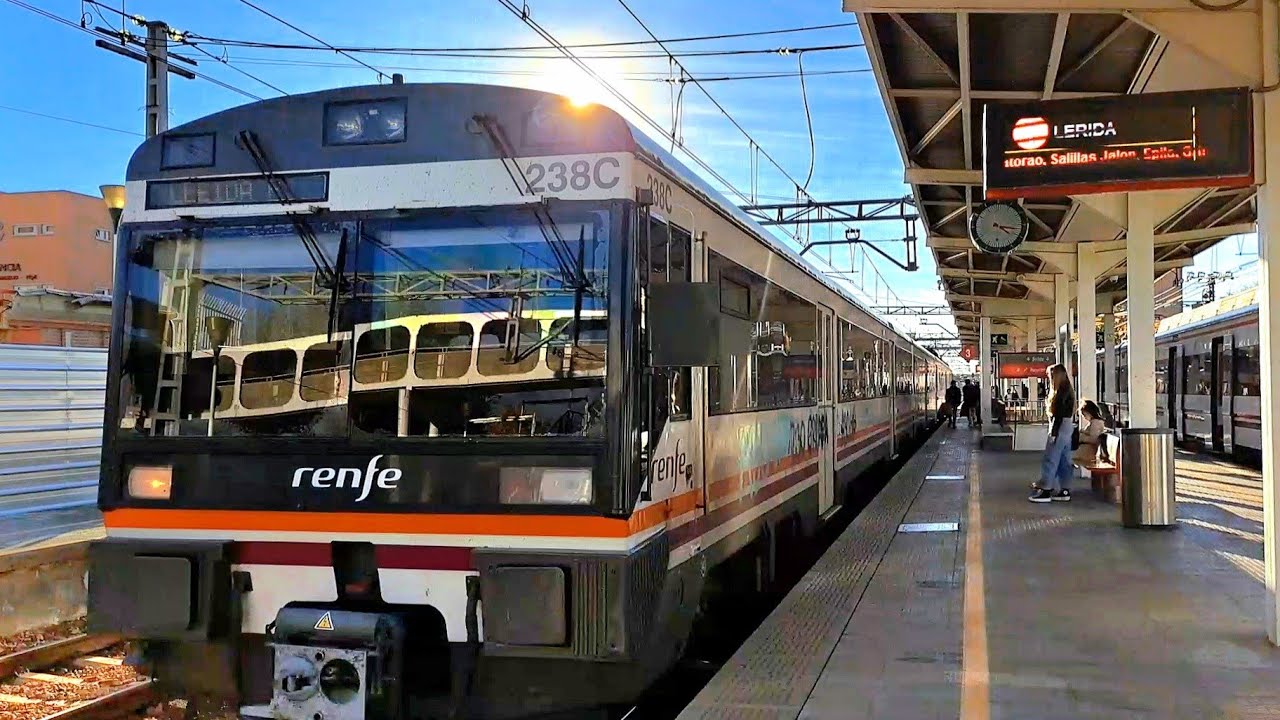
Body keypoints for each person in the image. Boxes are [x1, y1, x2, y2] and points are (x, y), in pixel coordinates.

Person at [1030, 363, 1076, 503]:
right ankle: (1065, 490)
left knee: (1051, 458)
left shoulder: (1060, 392)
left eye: (1050, 375)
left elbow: (1058, 416)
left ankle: (1046, 490)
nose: (1048, 378)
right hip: (1067, 427)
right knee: (1064, 460)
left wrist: (1053, 433)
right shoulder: (1068, 390)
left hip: (1059, 427)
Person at [1073, 400, 1106, 464]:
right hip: (1087, 450)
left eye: (1084, 414)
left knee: (1067, 456)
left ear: (1089, 412)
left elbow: (1094, 439)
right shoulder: (1094, 422)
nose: (1084, 417)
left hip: (1089, 451)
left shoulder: (1095, 423)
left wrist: (1082, 437)